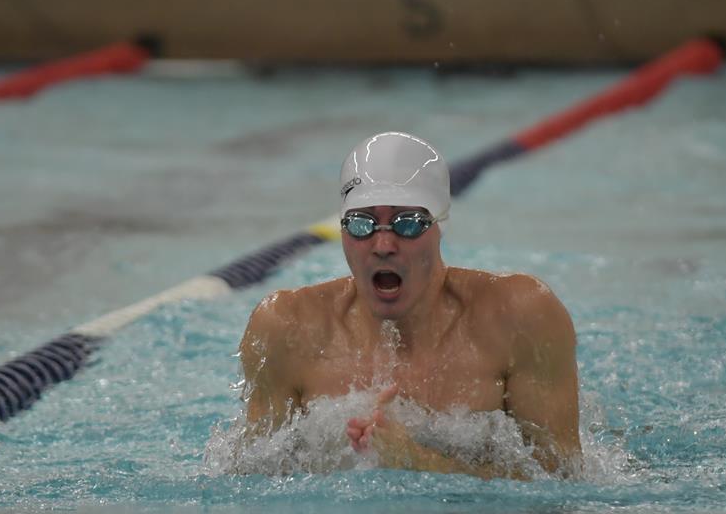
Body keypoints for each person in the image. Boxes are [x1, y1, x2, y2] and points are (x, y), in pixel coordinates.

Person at [237, 131, 581, 478]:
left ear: (439, 226)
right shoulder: (287, 328)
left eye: (408, 224)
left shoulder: (519, 317)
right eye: (361, 224)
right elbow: (250, 480)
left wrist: (423, 464)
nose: (383, 245)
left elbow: (561, 479)